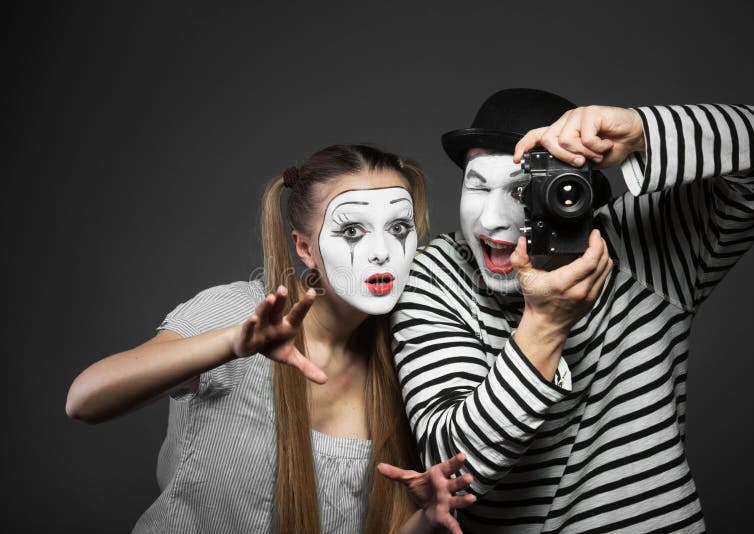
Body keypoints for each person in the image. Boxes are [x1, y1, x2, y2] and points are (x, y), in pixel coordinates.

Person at [391, 88, 754, 532]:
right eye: (478, 185)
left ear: (575, 195)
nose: (491, 220)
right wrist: (544, 327)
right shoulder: (440, 272)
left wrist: (643, 131)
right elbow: (453, 469)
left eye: (524, 189)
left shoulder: (646, 249)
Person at [66, 144, 477, 534]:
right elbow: (84, 400)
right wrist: (233, 344)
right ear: (304, 248)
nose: (382, 251)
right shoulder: (236, 312)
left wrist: (428, 516)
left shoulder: (408, 355)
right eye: (352, 230)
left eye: (399, 227)